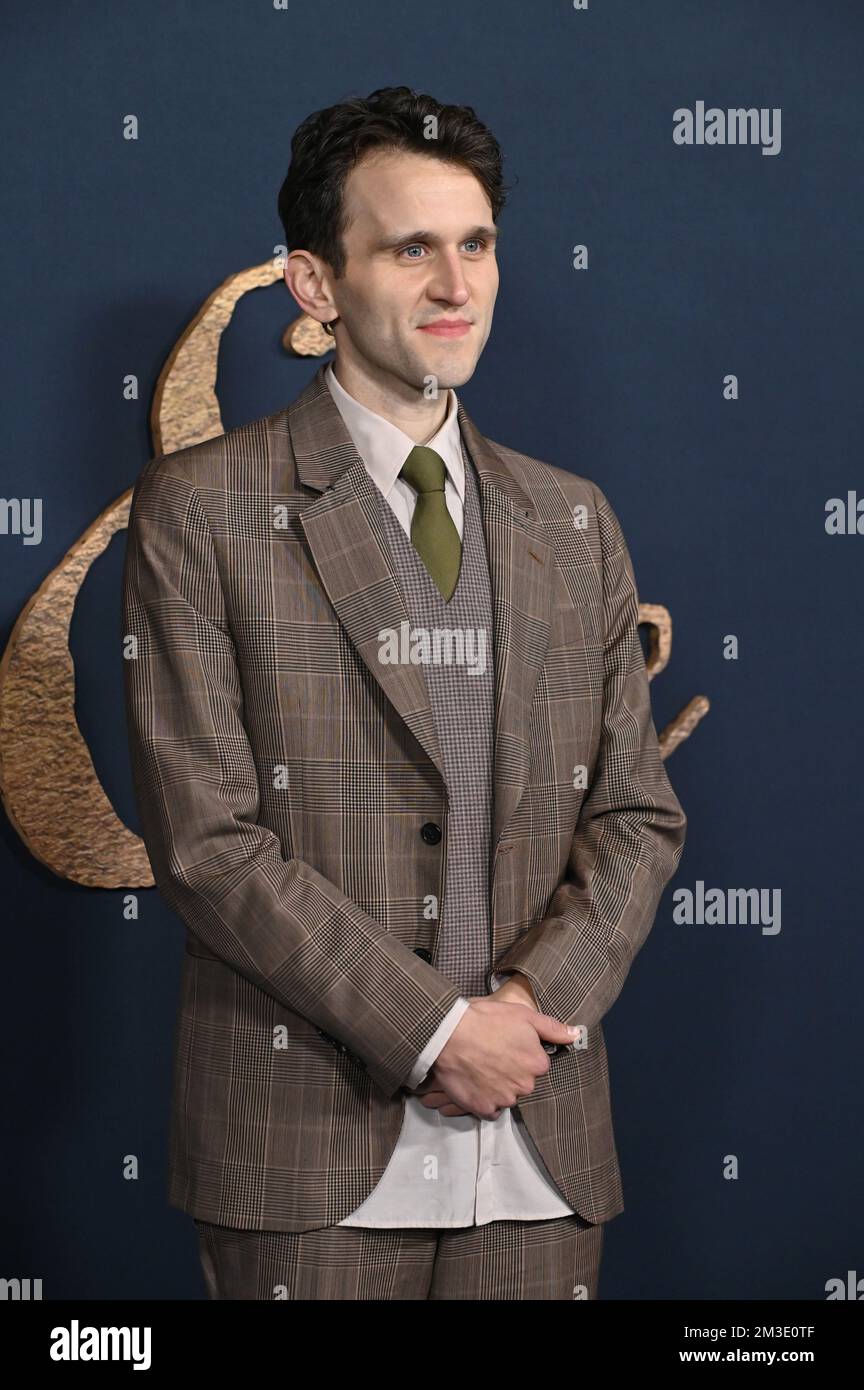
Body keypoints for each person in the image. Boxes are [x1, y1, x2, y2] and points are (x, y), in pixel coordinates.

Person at [121, 85, 687, 1300]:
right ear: (316, 285)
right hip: (304, 1147)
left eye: (475, 243)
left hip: (539, 1153)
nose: (455, 285)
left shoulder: (572, 519)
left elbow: (637, 818)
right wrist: (434, 1031)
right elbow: (209, 841)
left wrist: (528, 1013)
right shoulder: (203, 510)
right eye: (409, 247)